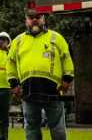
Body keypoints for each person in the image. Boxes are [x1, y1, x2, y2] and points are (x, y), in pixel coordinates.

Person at [9, 9, 73, 140]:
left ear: (43, 19)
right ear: (26, 20)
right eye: (31, 17)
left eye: (38, 17)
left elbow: (67, 59)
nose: (34, 19)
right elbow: (10, 63)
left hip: (53, 92)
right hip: (28, 92)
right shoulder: (18, 41)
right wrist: (14, 84)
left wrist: (67, 80)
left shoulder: (56, 38)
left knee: (58, 129)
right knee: (32, 129)